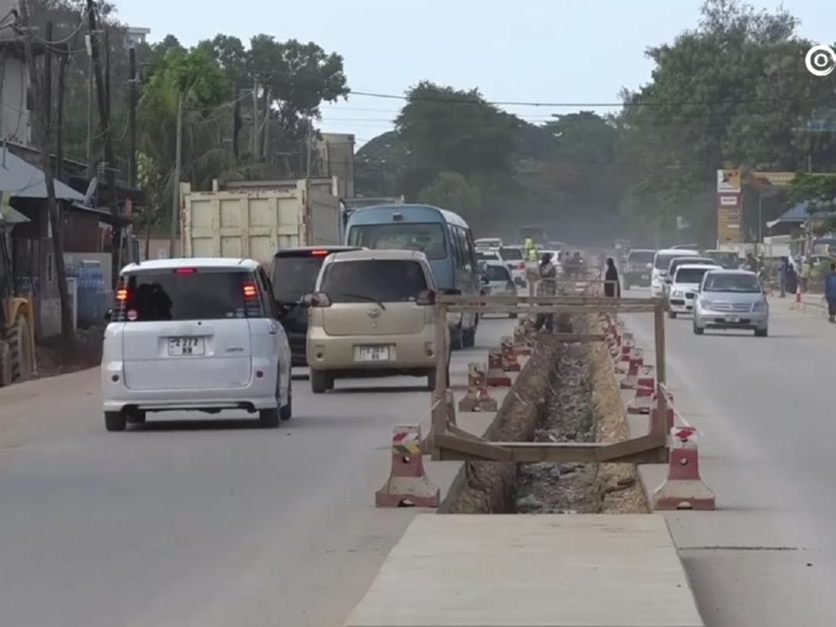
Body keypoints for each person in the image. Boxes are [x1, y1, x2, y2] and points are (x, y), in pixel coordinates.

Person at [535, 253, 557, 333]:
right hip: (542, 292)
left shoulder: (550, 267)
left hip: (548, 291)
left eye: (544, 258)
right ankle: (538, 326)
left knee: (548, 312)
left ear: (547, 259)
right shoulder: (543, 266)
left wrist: (540, 267)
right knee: (540, 311)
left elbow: (544, 274)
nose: (542, 260)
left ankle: (549, 328)